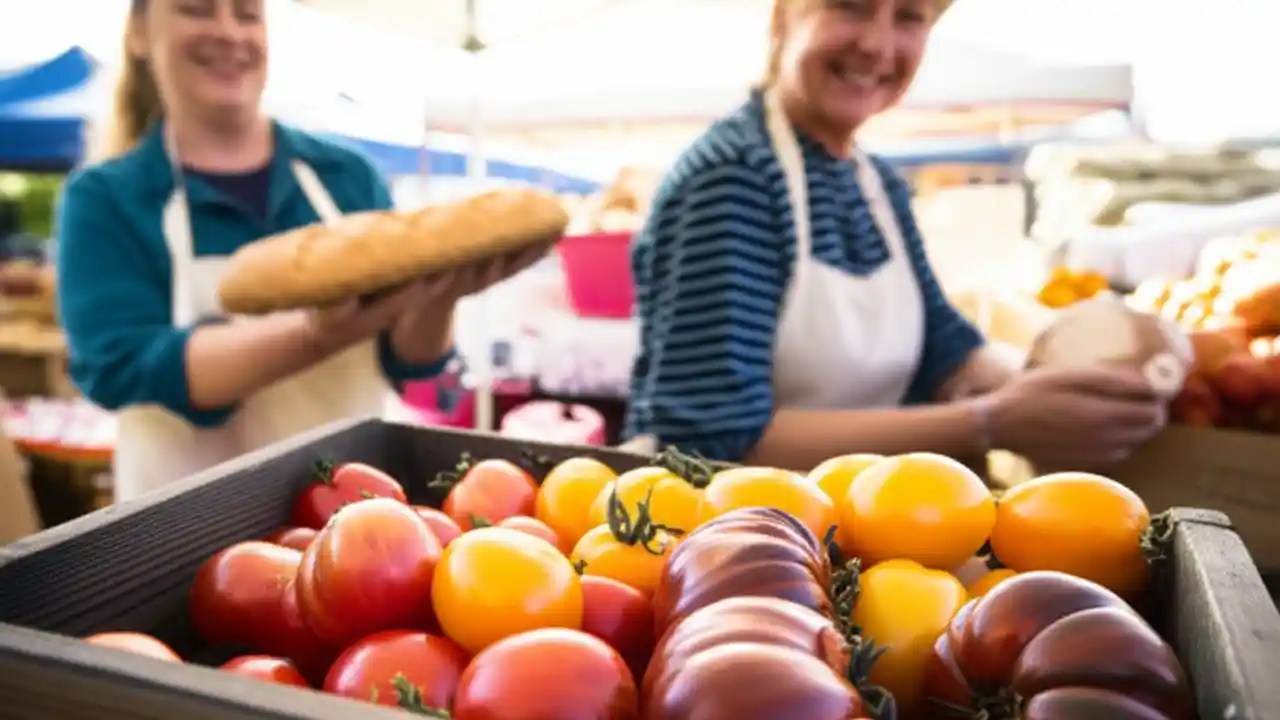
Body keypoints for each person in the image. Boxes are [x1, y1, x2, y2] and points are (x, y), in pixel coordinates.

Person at [626, 0, 1165, 472]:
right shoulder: (733, 178)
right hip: (729, 541)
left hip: (853, 524)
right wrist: (989, 423)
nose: (877, 45)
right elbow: (709, 442)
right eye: (850, 6)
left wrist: (1075, 386)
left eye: (909, 16)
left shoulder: (874, 182)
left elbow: (945, 349)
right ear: (782, 16)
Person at [57, 0, 544, 501]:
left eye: (247, 15)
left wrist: (439, 295)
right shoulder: (108, 196)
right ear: (139, 32)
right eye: (197, 10)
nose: (228, 32)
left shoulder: (346, 176)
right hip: (184, 527)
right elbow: (120, 366)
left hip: (358, 521)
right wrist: (313, 333)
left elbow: (410, 364)